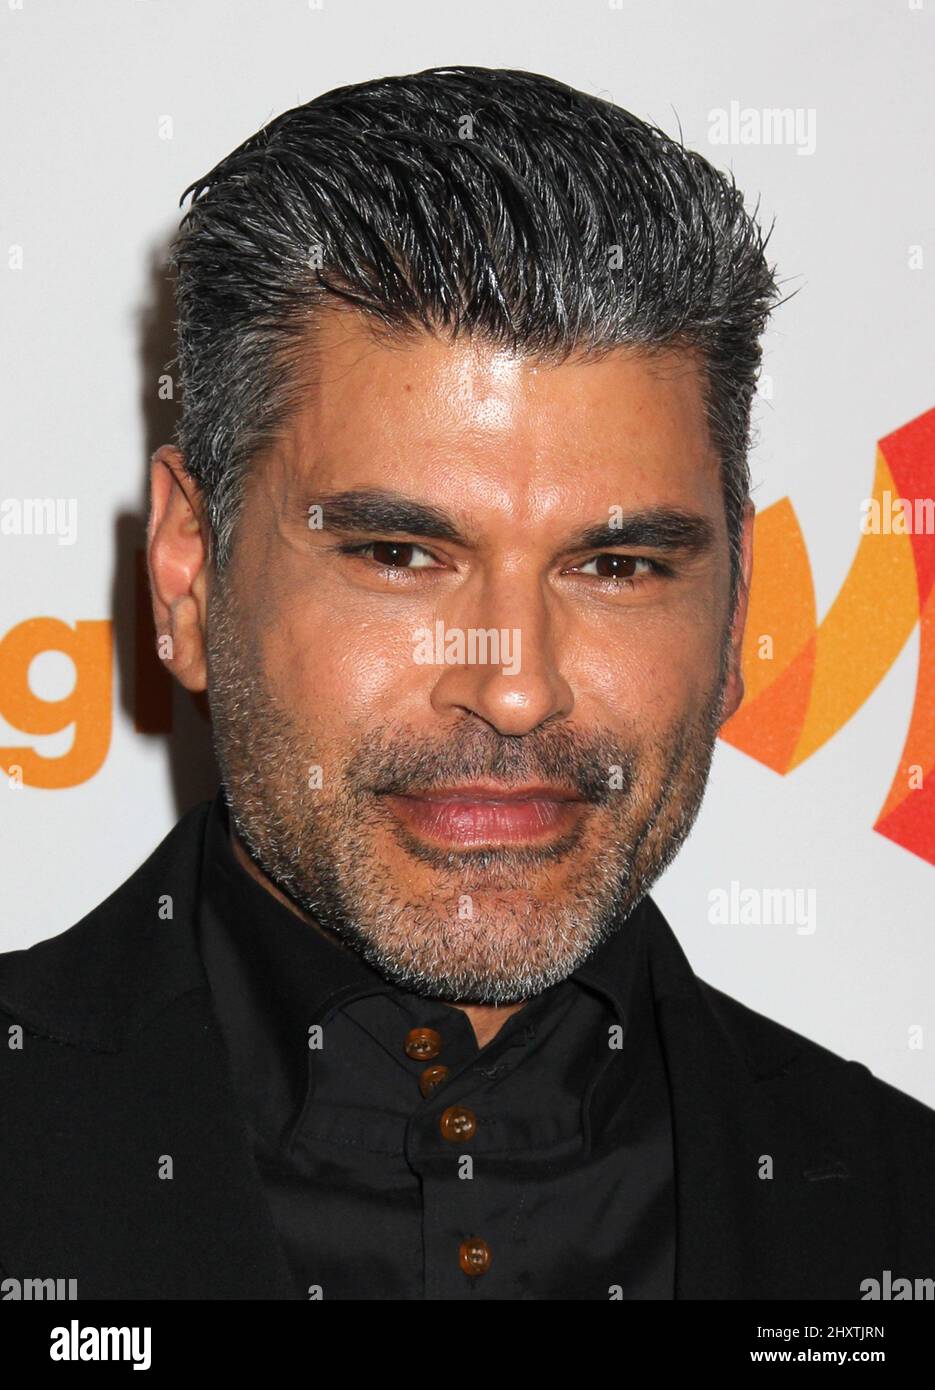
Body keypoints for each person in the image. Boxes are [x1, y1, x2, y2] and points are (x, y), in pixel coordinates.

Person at [2, 65, 933, 1302]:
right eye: (398, 555)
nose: (512, 690)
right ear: (187, 574)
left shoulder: (900, 1214)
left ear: (736, 608)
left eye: (615, 564)